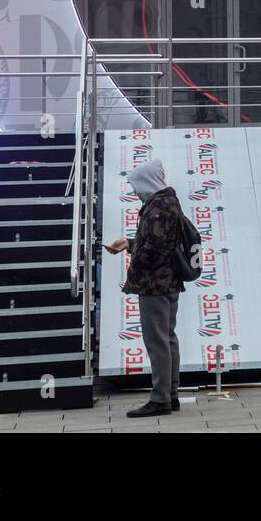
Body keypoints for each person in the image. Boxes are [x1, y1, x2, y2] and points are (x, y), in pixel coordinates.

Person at [105, 159, 184, 418]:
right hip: (168, 281)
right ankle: (170, 394)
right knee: (168, 338)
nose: (135, 190)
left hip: (155, 284)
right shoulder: (168, 202)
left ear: (147, 182)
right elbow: (159, 241)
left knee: (157, 341)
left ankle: (160, 398)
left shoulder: (157, 207)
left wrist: (134, 262)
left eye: (136, 185)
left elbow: (153, 248)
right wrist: (129, 242)